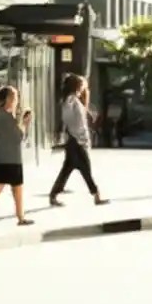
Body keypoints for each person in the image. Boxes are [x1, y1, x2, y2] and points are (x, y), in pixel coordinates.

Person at [49, 73, 108, 207]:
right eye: (81, 85)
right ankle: (96, 195)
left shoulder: (73, 99)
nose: (83, 88)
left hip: (76, 140)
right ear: (76, 85)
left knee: (67, 170)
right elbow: (69, 118)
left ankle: (53, 195)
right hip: (76, 140)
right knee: (85, 169)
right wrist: (78, 134)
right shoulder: (71, 100)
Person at [0, 86, 33, 227]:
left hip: (1, 157)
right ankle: (19, 217)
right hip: (10, 159)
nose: (16, 100)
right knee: (14, 189)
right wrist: (24, 124)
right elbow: (18, 137)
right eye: (15, 97)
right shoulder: (5, 117)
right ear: (9, 99)